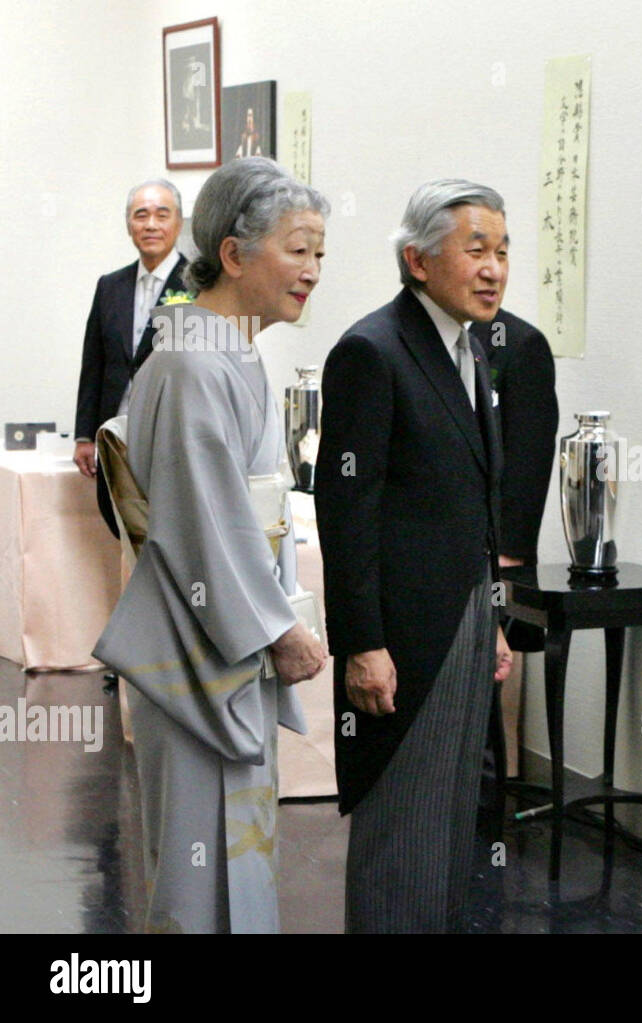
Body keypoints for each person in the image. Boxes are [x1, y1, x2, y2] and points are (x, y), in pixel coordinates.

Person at [94, 157, 329, 933]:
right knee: (202, 869)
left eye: (319, 254)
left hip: (224, 644)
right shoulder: (195, 360)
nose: (312, 271)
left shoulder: (228, 351)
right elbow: (203, 525)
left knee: (230, 853)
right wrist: (277, 628)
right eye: (297, 250)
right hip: (203, 645)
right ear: (233, 253)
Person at [316, 179, 514, 933]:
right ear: (418, 260)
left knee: (449, 825)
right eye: (476, 250)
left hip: (463, 619)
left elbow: (477, 506)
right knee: (401, 828)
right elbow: (348, 510)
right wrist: (361, 643)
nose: (494, 267)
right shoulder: (373, 351)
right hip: (400, 637)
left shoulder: (470, 348)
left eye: (502, 250)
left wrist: (493, 617)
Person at [470, 310, 558, 782]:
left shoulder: (520, 344)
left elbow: (528, 461)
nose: (490, 269)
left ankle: (485, 811)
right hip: (438, 555)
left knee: (484, 700)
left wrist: (507, 562)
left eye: (500, 254)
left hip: (493, 558)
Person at [74, 179, 190, 534]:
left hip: (170, 436)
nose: (151, 224)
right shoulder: (110, 286)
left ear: (178, 224)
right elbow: (93, 364)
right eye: (141, 215)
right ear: (129, 225)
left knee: (166, 534)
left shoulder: (198, 286)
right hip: (115, 438)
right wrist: (84, 435)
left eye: (161, 214)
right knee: (121, 530)